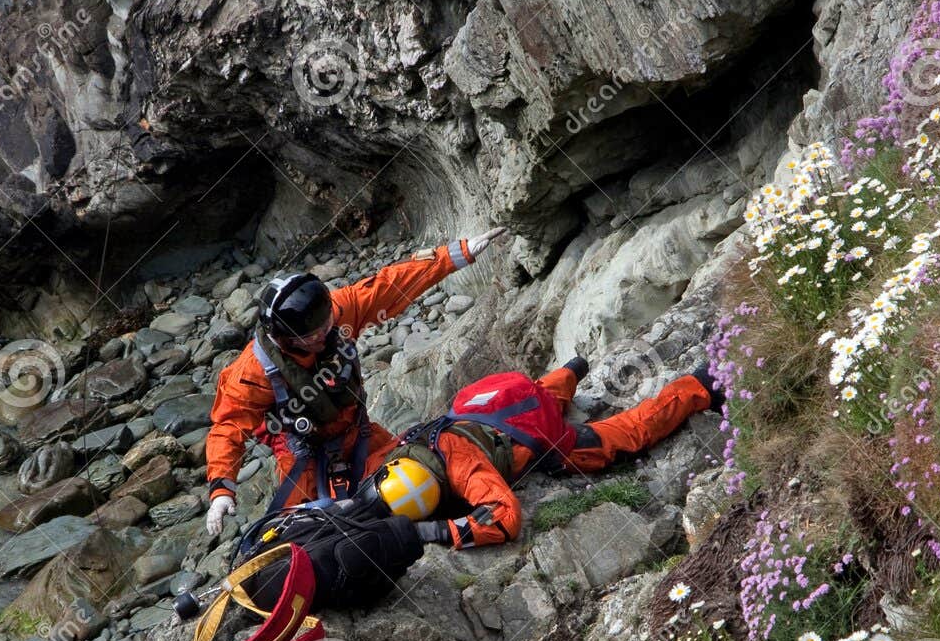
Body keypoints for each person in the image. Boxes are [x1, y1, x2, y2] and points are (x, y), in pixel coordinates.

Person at [204, 228, 507, 536]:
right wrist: (222, 490)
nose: (323, 335)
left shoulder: (334, 313)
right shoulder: (252, 372)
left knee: (415, 479)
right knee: (305, 532)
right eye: (311, 335)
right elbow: (228, 428)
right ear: (283, 340)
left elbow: (390, 286)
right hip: (301, 453)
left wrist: (457, 254)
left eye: (326, 325)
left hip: (359, 432)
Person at [359, 359, 722, 548]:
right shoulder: (400, 447)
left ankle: (699, 386)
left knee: (621, 436)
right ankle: (570, 371)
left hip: (535, 428)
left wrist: (434, 532)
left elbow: (504, 518)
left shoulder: (464, 468)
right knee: (538, 397)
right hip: (489, 399)